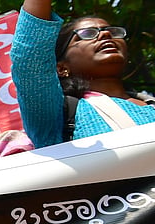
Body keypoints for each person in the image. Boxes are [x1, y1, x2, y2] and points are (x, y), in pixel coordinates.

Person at [11, 0, 155, 148]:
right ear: (61, 68)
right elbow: (30, 58)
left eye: (113, 32)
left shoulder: (151, 104)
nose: (106, 34)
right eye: (87, 34)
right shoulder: (58, 115)